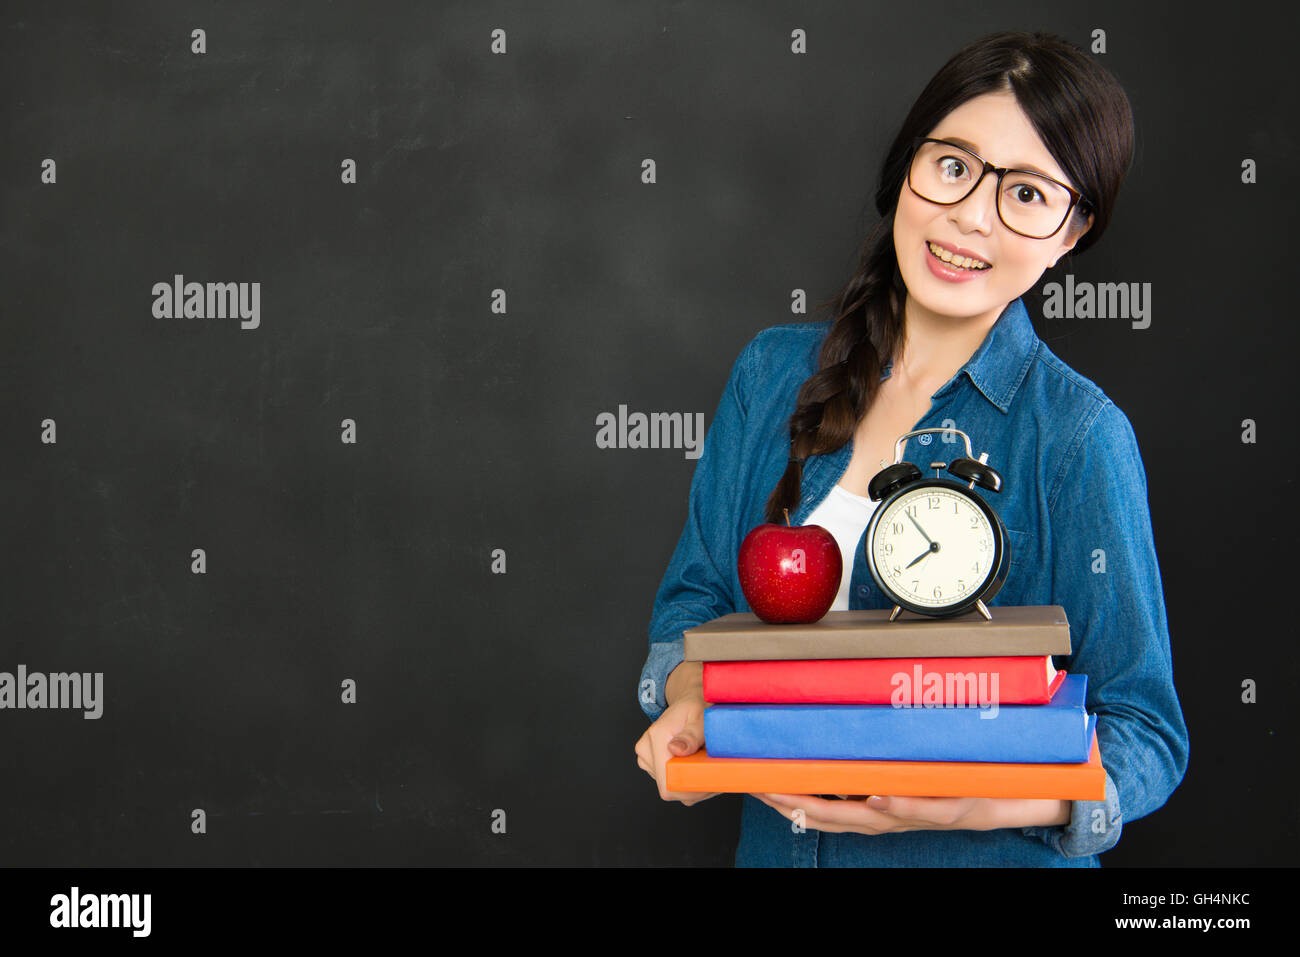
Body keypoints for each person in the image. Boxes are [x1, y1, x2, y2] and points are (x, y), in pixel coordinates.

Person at [633, 30, 1189, 867]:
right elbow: (694, 607)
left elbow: (1146, 732)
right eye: (954, 165)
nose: (969, 215)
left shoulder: (1078, 437)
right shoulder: (771, 373)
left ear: (1073, 233)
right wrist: (693, 701)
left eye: (1028, 194)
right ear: (907, 168)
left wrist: (978, 802)